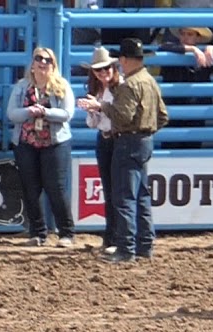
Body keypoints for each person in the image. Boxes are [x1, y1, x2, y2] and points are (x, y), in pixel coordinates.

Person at [79, 38, 168, 264]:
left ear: (125, 60)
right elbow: (163, 115)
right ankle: (144, 245)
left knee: (124, 197)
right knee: (141, 196)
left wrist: (103, 107)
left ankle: (126, 248)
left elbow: (122, 117)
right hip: (145, 140)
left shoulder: (130, 85)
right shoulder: (149, 80)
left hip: (127, 141)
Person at [6, 47, 77, 248]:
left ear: (53, 65)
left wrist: (46, 112)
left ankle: (67, 233)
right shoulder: (21, 86)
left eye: (48, 60)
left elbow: (67, 114)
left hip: (54, 143)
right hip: (26, 142)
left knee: (56, 187)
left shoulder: (61, 86)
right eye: (39, 58)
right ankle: (37, 232)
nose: (43, 62)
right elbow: (12, 113)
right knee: (31, 188)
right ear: (33, 63)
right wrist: (29, 110)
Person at [158, 27, 213, 149]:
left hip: (196, 111)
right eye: (183, 34)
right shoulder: (171, 52)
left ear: (197, 37)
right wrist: (193, 49)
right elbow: (164, 47)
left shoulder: (205, 55)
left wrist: (212, 47)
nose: (185, 37)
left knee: (192, 148)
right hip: (174, 110)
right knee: (171, 147)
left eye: (190, 34)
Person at [78, 47, 120, 253]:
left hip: (117, 139)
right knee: (110, 190)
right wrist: (92, 110)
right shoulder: (98, 91)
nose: (103, 73)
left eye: (106, 68)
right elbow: (93, 123)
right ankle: (111, 237)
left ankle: (116, 237)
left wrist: (98, 107)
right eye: (98, 70)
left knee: (118, 191)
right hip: (104, 139)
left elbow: (120, 116)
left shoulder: (120, 89)